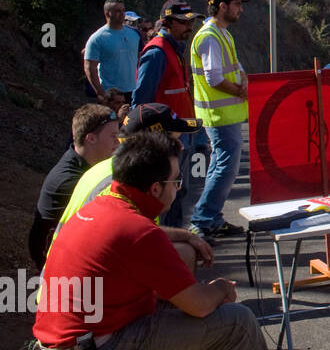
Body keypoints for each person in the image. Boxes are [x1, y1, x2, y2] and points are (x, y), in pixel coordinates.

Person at [33, 130, 310, 350]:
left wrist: (187, 240)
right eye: (176, 182)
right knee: (237, 322)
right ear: (155, 188)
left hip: (63, 344)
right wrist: (220, 288)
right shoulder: (137, 232)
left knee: (172, 309)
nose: (180, 188)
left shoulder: (105, 205)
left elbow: (144, 242)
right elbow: (199, 306)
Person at [50, 104, 213, 272]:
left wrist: (187, 235)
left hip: (69, 279)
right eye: (173, 142)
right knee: (180, 255)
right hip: (77, 284)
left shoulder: (115, 167)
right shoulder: (126, 182)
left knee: (176, 249)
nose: (181, 146)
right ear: (152, 145)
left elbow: (137, 232)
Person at [190, 0, 250, 240]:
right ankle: (203, 220)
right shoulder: (210, 36)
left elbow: (232, 66)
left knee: (219, 166)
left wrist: (243, 80)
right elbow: (214, 78)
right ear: (222, 6)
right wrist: (239, 90)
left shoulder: (221, 33)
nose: (240, 10)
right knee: (225, 167)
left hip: (224, 116)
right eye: (236, 4)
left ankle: (209, 217)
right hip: (219, 116)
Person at [134, 0, 200, 227]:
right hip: (164, 139)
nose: (189, 27)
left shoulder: (174, 49)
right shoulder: (157, 52)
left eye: (190, 22)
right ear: (167, 23)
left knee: (179, 191)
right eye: (183, 22)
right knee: (167, 194)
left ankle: (174, 240)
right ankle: (169, 244)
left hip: (180, 134)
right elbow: (141, 100)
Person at [27, 104, 119, 265]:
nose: (118, 142)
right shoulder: (69, 180)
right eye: (113, 136)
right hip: (56, 265)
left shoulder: (83, 165)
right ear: (91, 138)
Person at [84, 0, 141, 105]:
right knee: (112, 121)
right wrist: (100, 92)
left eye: (123, 10)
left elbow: (139, 58)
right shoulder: (97, 38)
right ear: (107, 13)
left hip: (132, 91)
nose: (122, 13)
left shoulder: (134, 34)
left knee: (130, 121)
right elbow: (89, 68)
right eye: (117, 11)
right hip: (111, 94)